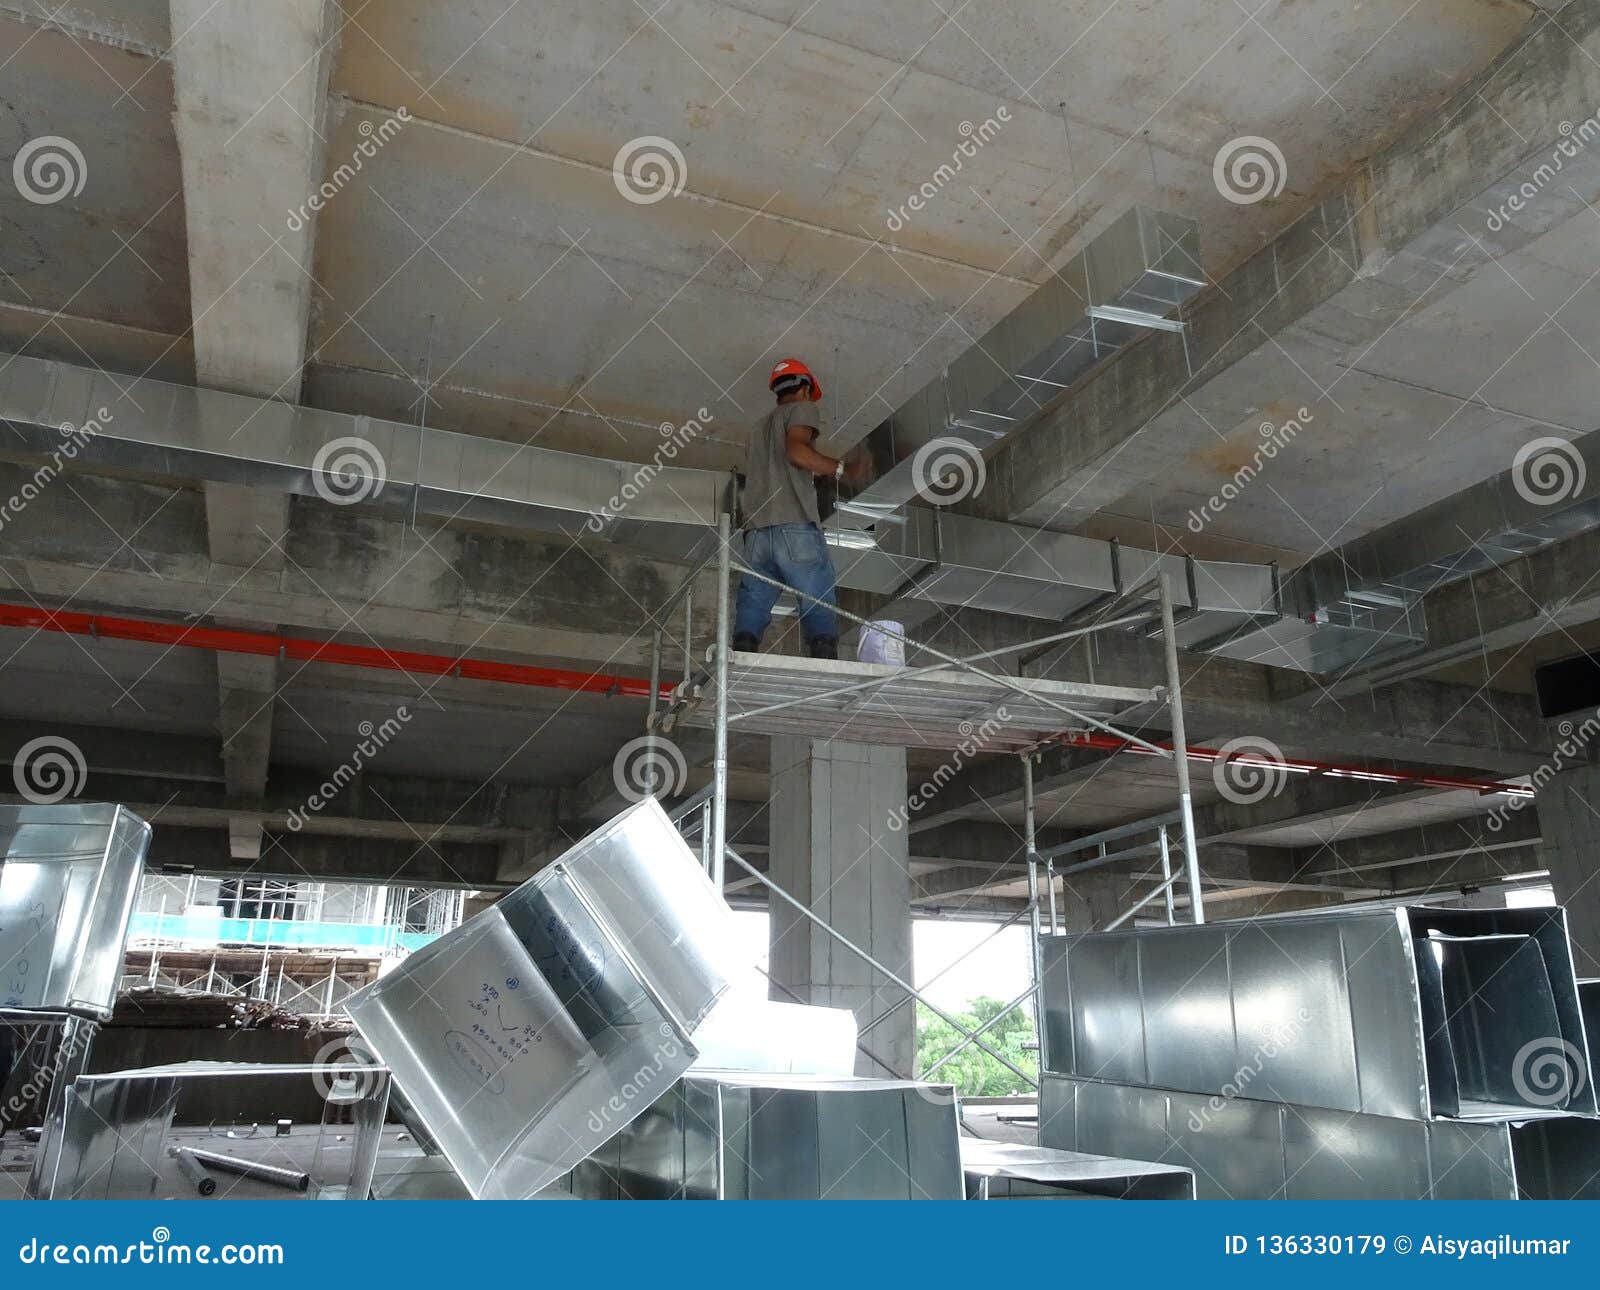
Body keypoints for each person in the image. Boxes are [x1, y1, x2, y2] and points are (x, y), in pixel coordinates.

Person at [734, 358, 859, 659]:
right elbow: (797, 452)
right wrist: (842, 470)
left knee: (755, 597)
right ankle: (823, 655)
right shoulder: (802, 410)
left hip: (756, 533)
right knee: (816, 591)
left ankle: (742, 651)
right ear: (804, 388)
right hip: (794, 525)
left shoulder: (756, 429)